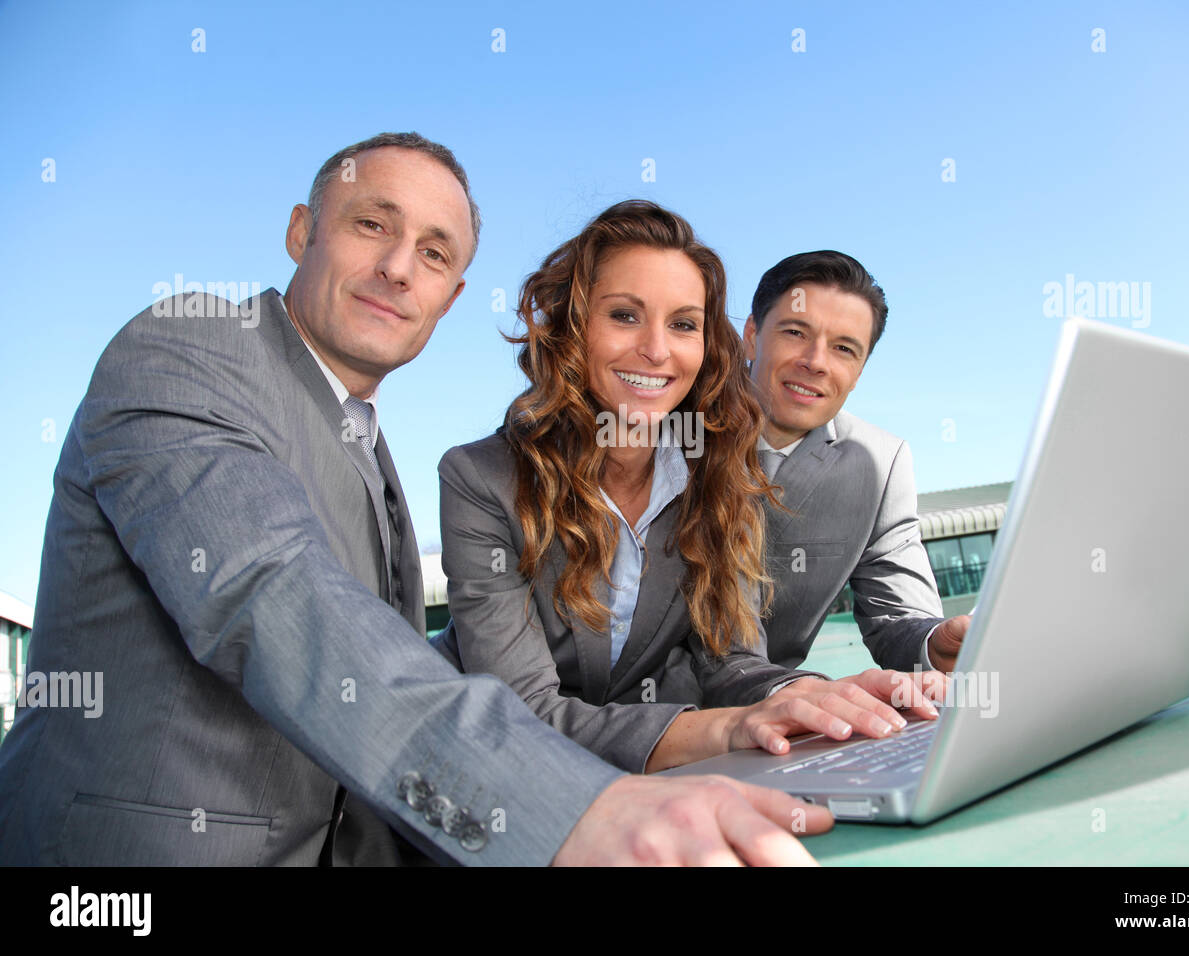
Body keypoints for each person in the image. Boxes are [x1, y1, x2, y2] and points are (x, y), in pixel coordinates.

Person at [0, 133, 837, 867]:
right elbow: (273, 598)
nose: (401, 268)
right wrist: (572, 809)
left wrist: (799, 701)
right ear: (302, 231)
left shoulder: (366, 442)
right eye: (373, 224)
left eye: (436, 253)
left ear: (453, 294)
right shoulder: (192, 350)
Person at [432, 201, 944, 776]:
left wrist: (810, 697)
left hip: (638, 781)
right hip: (469, 784)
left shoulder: (719, 474)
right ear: (571, 328)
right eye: (624, 315)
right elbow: (522, 714)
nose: (656, 350)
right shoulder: (481, 480)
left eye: (682, 324)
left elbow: (731, 661)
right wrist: (726, 727)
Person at [742, 251, 971, 673]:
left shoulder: (881, 465)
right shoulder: (672, 419)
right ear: (751, 333)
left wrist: (937, 644)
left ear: (861, 368)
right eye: (795, 331)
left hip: (772, 716)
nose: (815, 361)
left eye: (844, 348)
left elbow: (900, 620)